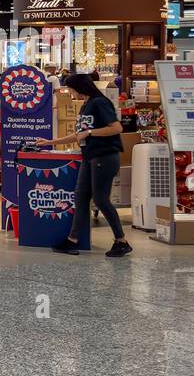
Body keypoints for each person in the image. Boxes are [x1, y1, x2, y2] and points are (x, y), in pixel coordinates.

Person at [37, 72, 131, 258]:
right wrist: (49, 143)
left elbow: (116, 128)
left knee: (101, 199)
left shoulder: (100, 103)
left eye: (71, 89)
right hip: (89, 157)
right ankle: (72, 240)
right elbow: (80, 133)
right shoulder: (86, 105)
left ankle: (121, 241)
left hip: (104, 156)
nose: (70, 93)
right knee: (80, 197)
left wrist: (90, 133)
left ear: (79, 87)